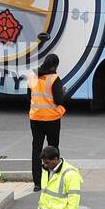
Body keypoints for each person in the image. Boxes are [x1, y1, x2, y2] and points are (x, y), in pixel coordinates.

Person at [27, 54, 66, 192]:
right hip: (52, 119)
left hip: (36, 118)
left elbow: (29, 96)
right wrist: (63, 92)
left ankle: (37, 183)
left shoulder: (32, 75)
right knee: (53, 148)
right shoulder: (54, 78)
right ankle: (53, 179)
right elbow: (58, 100)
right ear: (55, 66)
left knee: (36, 149)